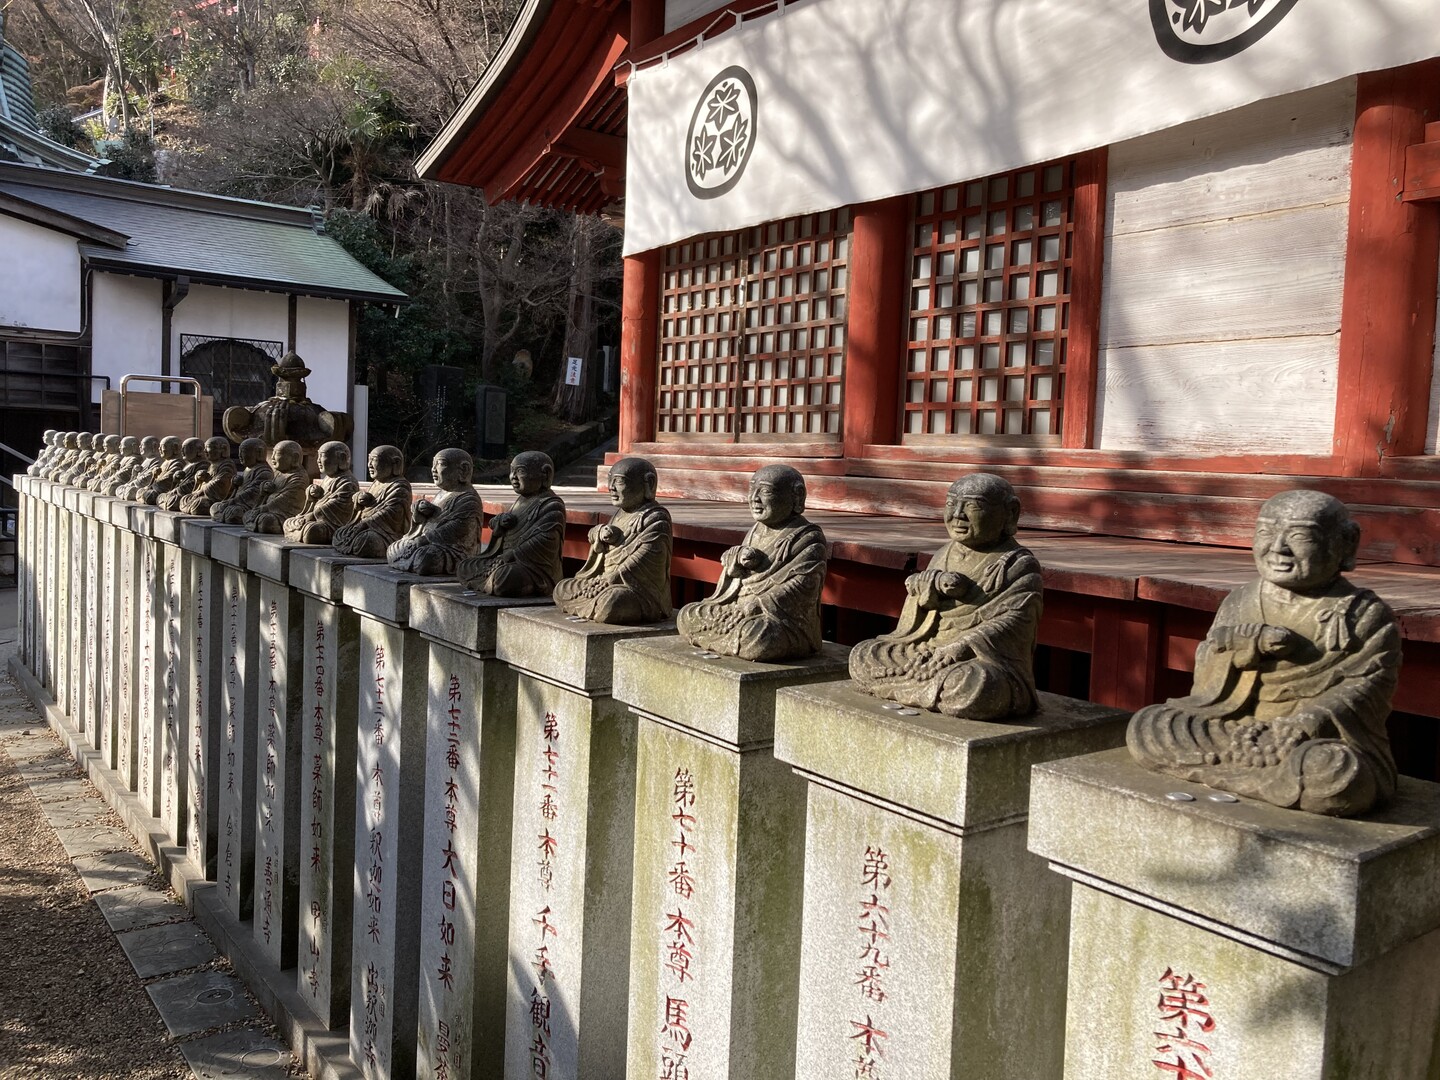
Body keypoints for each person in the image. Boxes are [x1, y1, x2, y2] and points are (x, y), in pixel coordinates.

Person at [1127, 490, 1401, 816]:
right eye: (1266, 533)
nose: (1278, 548)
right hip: (1238, 726)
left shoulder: (1363, 614)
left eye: (1300, 537)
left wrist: (1308, 722)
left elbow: (1367, 687)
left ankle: (1242, 776)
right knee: (1151, 727)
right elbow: (1208, 667)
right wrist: (1245, 646)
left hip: (1306, 738)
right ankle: (1261, 781)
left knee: (1337, 775)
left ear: (1345, 543)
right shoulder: (1240, 601)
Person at [849, 473, 1041, 720]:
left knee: (978, 686)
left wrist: (960, 647)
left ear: (1010, 513)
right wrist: (924, 589)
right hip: (928, 649)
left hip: (972, 658)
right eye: (951, 504)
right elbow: (923, 612)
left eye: (972, 506)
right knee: (864, 655)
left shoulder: (1017, 564)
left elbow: (1013, 622)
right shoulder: (944, 553)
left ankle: (916, 686)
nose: (957, 515)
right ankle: (919, 686)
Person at [676, 464, 827, 661]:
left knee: (759, 638)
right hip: (739, 609)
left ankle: (726, 638)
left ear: (796, 496)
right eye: (751, 490)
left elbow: (802, 587)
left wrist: (756, 604)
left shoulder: (807, 538)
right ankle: (728, 638)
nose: (755, 498)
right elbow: (738, 580)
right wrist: (735, 560)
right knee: (687, 615)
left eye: (765, 491)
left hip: (780, 621)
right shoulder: (755, 531)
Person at [554, 456, 672, 623]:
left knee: (613, 602)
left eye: (619, 482)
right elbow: (600, 545)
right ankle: (593, 603)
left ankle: (598, 604)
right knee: (562, 588)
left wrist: (614, 576)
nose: (611, 488)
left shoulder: (655, 518)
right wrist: (599, 533)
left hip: (638, 591)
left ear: (648, 483)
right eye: (610, 481)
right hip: (603, 580)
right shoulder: (619, 514)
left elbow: (645, 557)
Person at [458, 451, 565, 596]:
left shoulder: (551, 504)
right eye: (511, 471)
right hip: (504, 559)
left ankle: (494, 580)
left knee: (504, 578)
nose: (513, 477)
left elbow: (546, 539)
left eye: (520, 471)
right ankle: (489, 578)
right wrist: (499, 523)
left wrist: (514, 554)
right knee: (465, 566)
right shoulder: (520, 502)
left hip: (534, 569)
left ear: (545, 474)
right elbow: (505, 529)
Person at [386, 449, 481, 575]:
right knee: (393, 548)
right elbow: (435, 518)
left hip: (454, 550)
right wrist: (422, 512)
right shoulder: (441, 494)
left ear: (463, 469)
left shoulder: (468, 498)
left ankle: (411, 559)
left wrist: (425, 540)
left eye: (440, 464)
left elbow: (456, 528)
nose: (433, 469)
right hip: (426, 542)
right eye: (433, 464)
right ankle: (410, 558)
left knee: (426, 558)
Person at [332, 445, 412, 558]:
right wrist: (359, 498)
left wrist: (365, 524)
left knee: (367, 542)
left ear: (395, 463)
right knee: (339, 533)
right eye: (369, 460)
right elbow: (368, 505)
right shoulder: (376, 483)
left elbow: (392, 512)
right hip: (364, 526)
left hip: (386, 533)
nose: (369, 464)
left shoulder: (400, 486)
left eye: (374, 460)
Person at [283, 440, 360, 544]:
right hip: (316, 518)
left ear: (341, 458)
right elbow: (322, 498)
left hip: (333, 524)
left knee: (311, 531)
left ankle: (301, 532)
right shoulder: (328, 479)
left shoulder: (348, 482)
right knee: (288, 522)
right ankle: (300, 532)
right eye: (318, 456)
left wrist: (312, 515)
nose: (318, 460)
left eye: (323, 456)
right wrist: (313, 492)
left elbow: (337, 504)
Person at [244, 440, 310, 534]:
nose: (272, 457)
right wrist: (265, 488)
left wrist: (263, 508)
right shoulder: (278, 473)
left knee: (266, 522)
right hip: (268, 510)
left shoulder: (299, 477)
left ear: (295, 458)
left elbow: (284, 499)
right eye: (273, 453)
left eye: (277, 454)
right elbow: (270, 492)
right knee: (247, 514)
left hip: (285, 514)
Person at [212, 439, 272, 524]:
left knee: (235, 513)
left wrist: (232, 501)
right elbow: (239, 489)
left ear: (259, 453)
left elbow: (252, 493)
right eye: (239, 452)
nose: (240, 455)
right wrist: (235, 485)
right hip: (236, 503)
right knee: (214, 507)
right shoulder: (247, 469)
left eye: (244, 452)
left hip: (248, 506)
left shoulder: (264, 472)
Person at [179, 437, 238, 516]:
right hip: (204, 495)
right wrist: (199, 479)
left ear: (223, 449)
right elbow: (203, 482)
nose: (205, 451)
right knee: (184, 499)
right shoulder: (211, 465)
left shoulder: (227, 465)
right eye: (204, 448)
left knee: (199, 505)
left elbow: (221, 484)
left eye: (208, 447)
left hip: (216, 498)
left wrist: (205, 483)